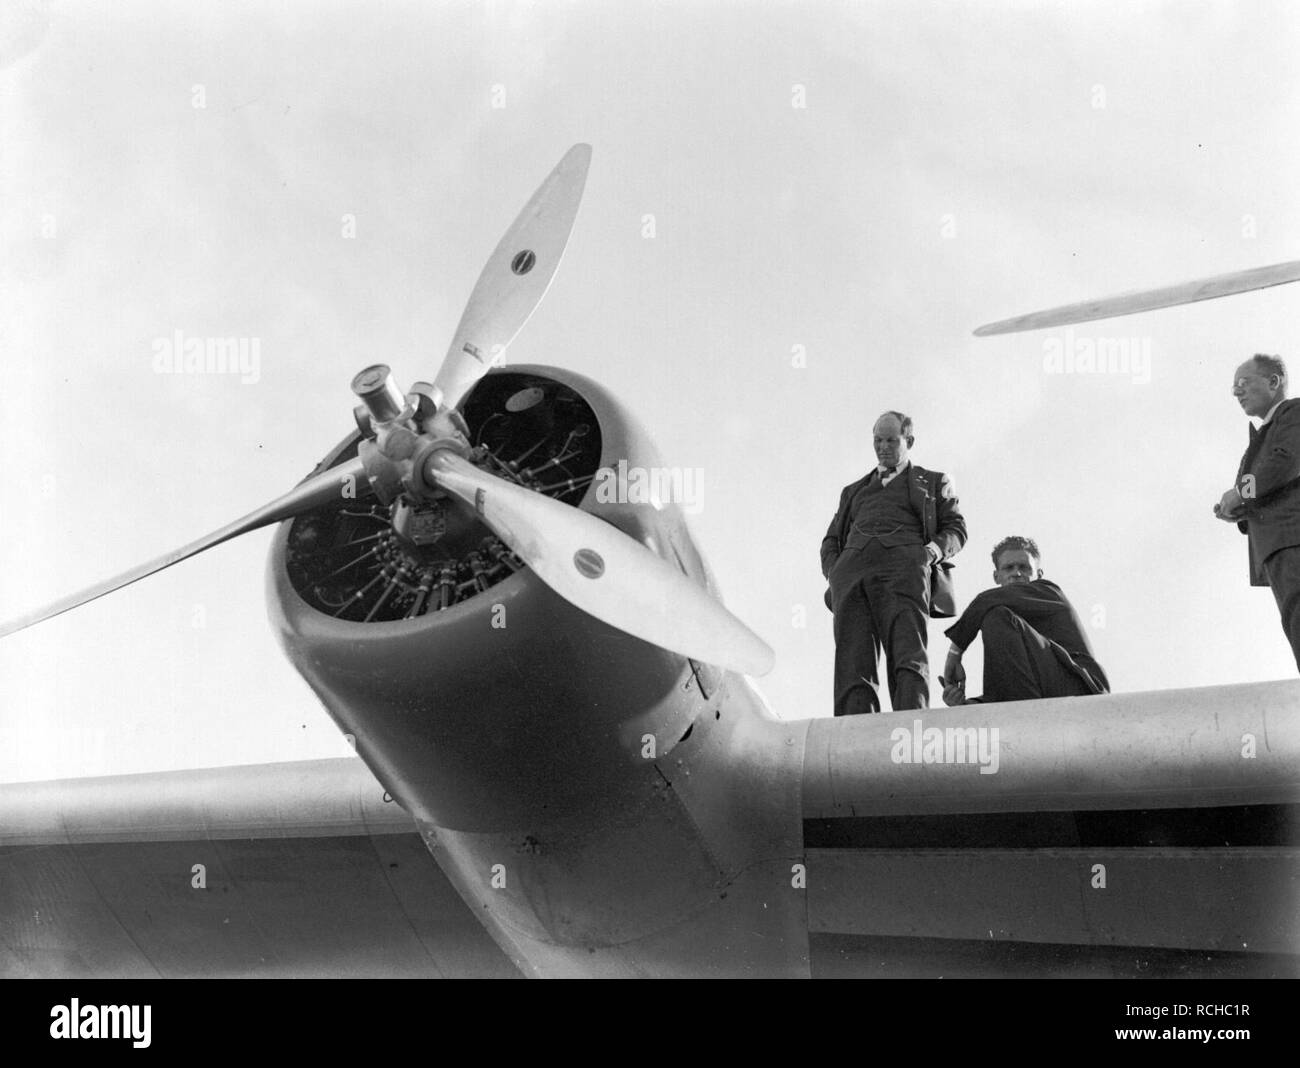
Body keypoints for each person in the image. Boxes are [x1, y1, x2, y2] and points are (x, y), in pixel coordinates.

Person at [821, 411, 966, 715]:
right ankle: (855, 735)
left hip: (905, 571)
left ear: (908, 440)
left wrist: (927, 555)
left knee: (908, 653)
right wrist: (836, 573)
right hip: (851, 575)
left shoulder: (933, 481)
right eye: (878, 440)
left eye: (891, 440)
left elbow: (956, 529)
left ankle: (911, 729)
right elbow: (831, 540)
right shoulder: (852, 491)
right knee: (851, 661)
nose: (883, 447)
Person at [941, 536, 1109, 705]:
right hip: (1042, 696)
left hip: (1081, 688)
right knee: (996, 618)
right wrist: (965, 704)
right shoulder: (1009, 629)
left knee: (995, 617)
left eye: (1024, 567)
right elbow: (1012, 684)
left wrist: (955, 654)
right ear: (996, 576)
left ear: (1039, 574)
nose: (1016, 573)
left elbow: (983, 600)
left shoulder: (1050, 593)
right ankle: (1019, 716)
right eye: (1008, 568)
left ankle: (1020, 714)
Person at [1214, 353, 1300, 671]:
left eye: (1243, 382)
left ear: (1273, 382)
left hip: (1292, 539)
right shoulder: (1257, 440)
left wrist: (1239, 494)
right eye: (1233, 387)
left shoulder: (1293, 413)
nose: (1237, 392)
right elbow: (1259, 483)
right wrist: (1237, 508)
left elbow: (1285, 461)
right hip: (1277, 548)